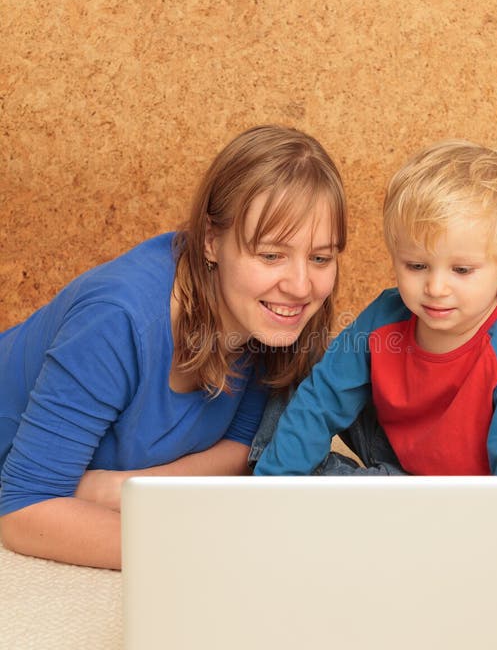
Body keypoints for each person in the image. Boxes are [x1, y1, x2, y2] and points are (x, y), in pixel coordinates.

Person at [0, 124, 347, 570]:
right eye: (270, 255)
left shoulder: (266, 317)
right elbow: (22, 510)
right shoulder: (116, 320)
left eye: (321, 258)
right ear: (211, 241)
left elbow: (242, 447)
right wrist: (196, 553)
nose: (301, 286)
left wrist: (123, 489)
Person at [254, 140, 497, 600]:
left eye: (462, 269)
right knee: (303, 375)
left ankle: (391, 514)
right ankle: (274, 481)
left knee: (405, 507)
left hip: (466, 496)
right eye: (417, 265)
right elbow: (322, 398)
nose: (436, 288)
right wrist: (271, 491)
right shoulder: (385, 317)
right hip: (398, 445)